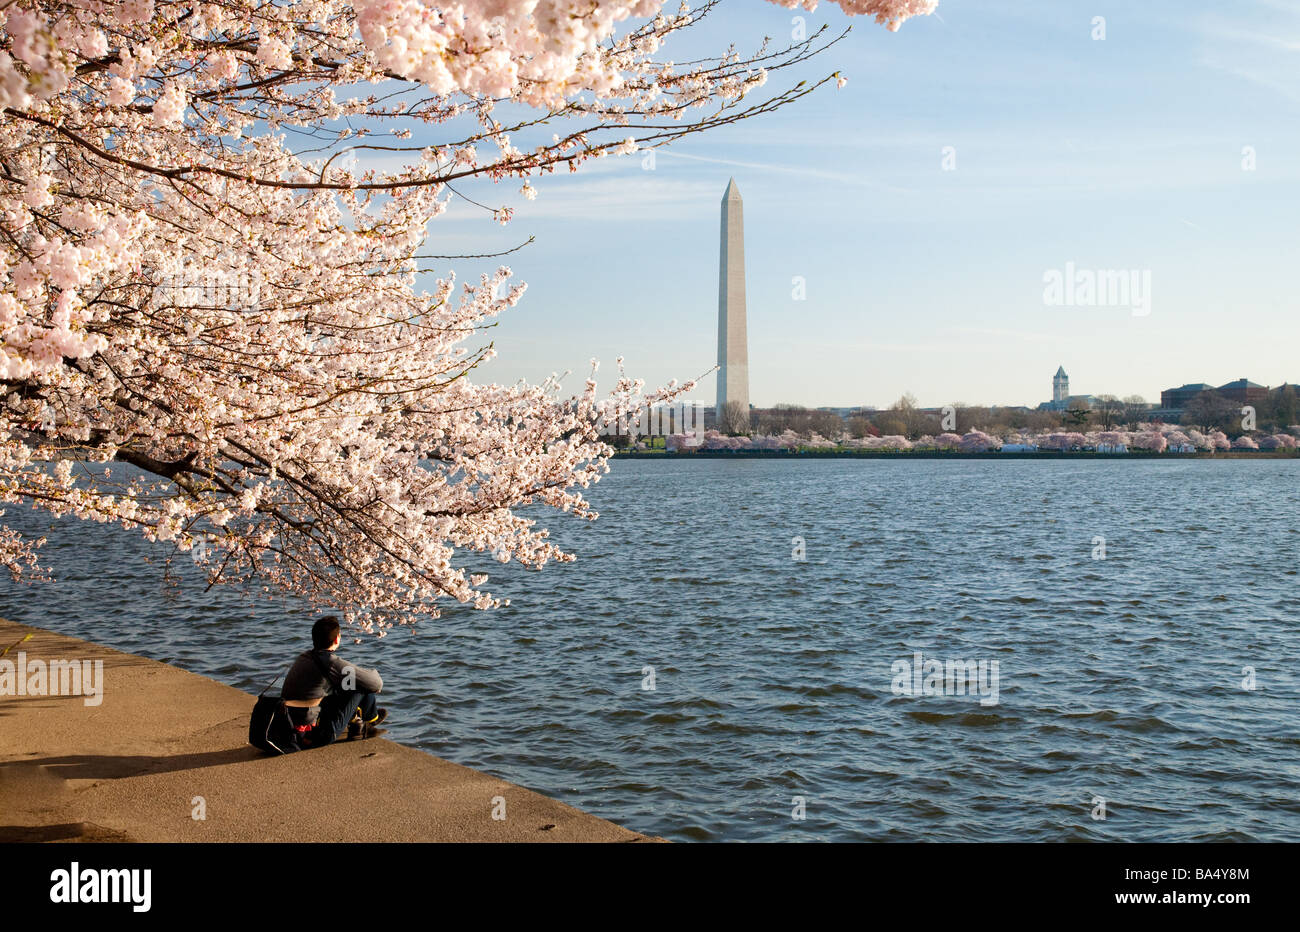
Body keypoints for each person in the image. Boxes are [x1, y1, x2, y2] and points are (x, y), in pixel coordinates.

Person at [283, 616, 388, 747]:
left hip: (289, 728)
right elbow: (376, 683)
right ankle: (369, 721)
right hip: (316, 735)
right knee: (359, 685)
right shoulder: (331, 663)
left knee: (346, 683)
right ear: (337, 638)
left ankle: (361, 725)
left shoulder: (303, 657)